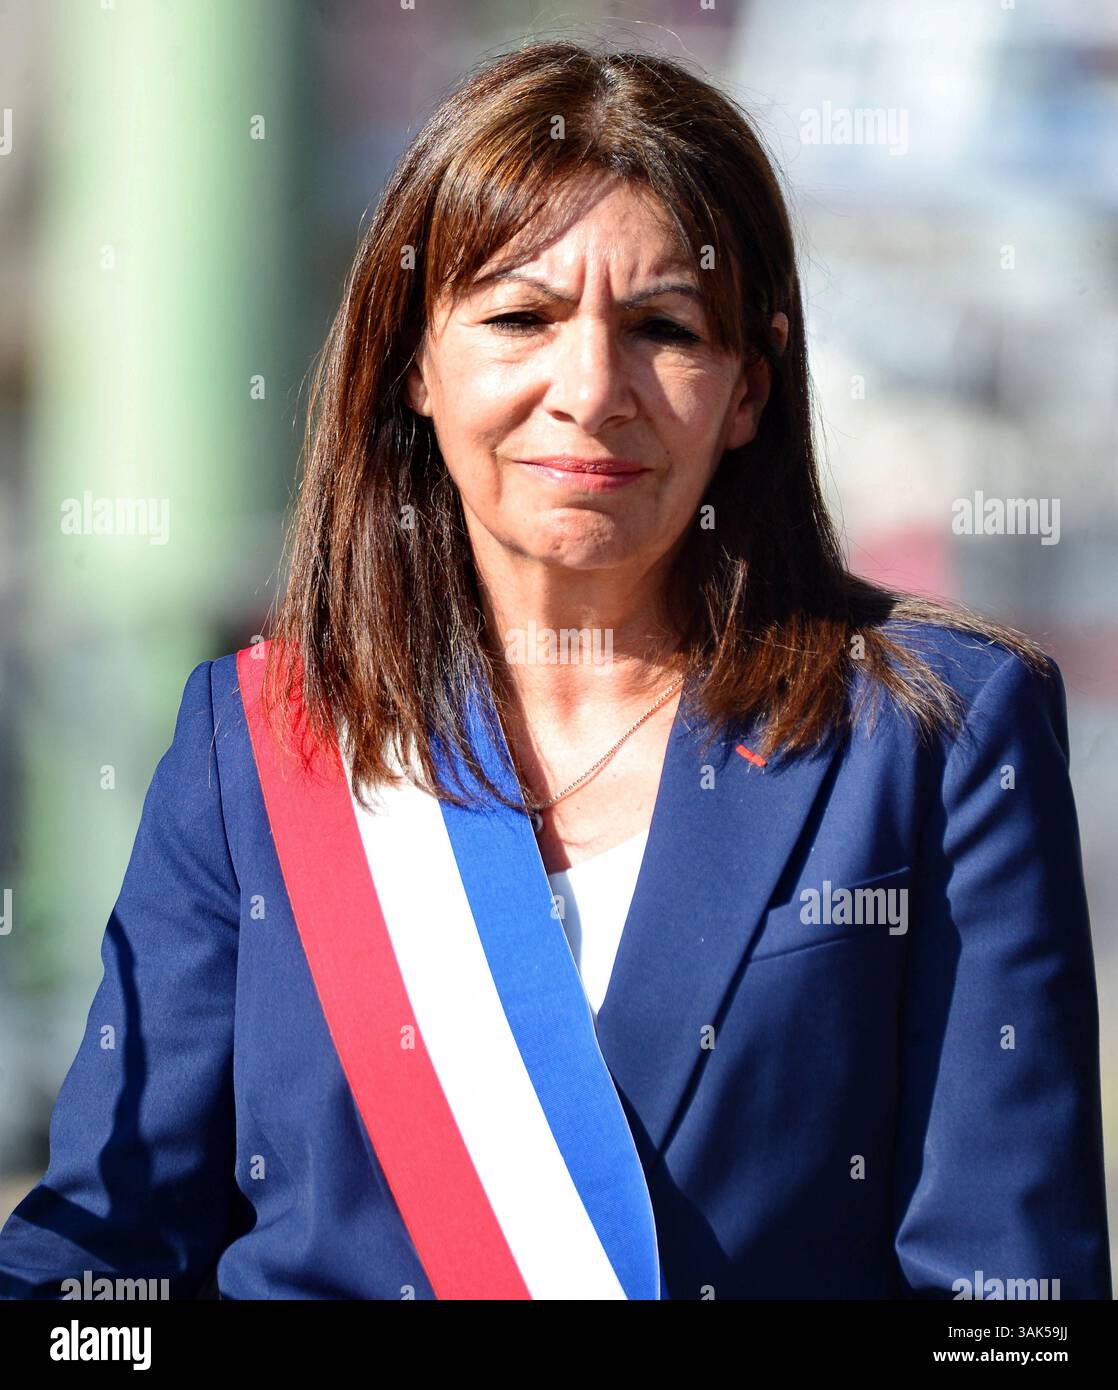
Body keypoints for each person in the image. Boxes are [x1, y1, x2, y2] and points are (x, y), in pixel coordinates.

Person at [0, 39, 1110, 1301]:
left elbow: (1009, 1302)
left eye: (661, 328)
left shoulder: (930, 738)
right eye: (521, 316)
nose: (590, 389)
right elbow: (108, 1263)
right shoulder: (256, 743)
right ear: (411, 361)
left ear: (749, 383)